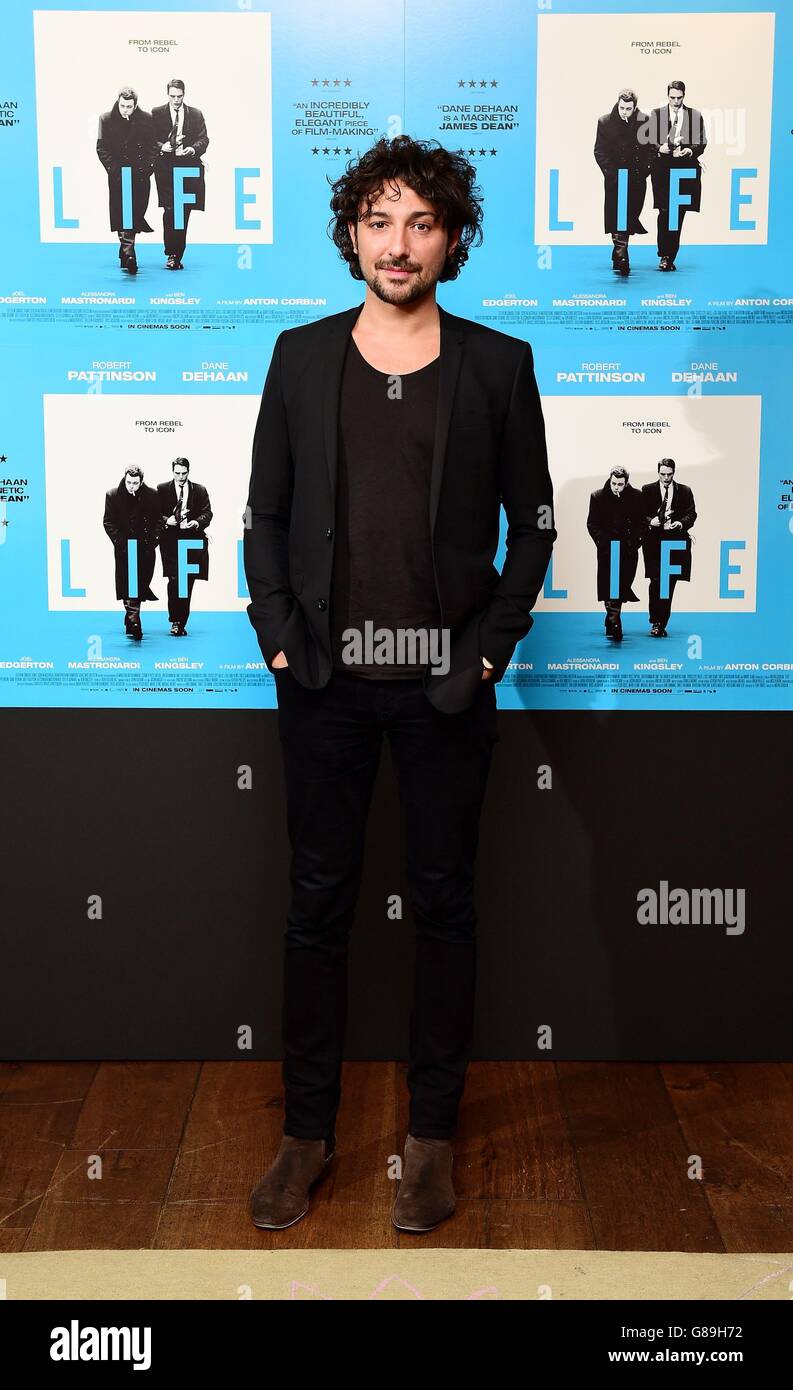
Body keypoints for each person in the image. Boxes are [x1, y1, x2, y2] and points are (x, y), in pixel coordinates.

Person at [243, 134, 557, 1234]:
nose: (399, 241)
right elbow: (265, 519)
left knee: (443, 909)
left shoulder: (499, 365)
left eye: (421, 221)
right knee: (315, 909)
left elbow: (536, 527)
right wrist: (280, 642)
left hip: (443, 695)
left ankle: (429, 1141)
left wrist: (485, 655)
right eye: (379, 219)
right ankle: (307, 1134)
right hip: (324, 686)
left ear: (452, 238)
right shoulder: (295, 356)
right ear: (349, 235)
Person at [645, 80, 707, 271]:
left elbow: (702, 143)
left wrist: (689, 151)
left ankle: (670, 256)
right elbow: (647, 141)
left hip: (685, 170)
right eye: (672, 97)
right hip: (662, 170)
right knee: (664, 212)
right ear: (668, 96)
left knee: (678, 214)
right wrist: (660, 148)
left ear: (684, 96)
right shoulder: (656, 115)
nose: (675, 101)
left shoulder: (695, 116)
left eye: (679, 98)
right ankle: (663, 255)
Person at [96, 87, 156, 274]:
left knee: (137, 212)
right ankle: (130, 255)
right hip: (120, 176)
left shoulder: (146, 119)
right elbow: (102, 148)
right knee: (124, 214)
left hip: (140, 175)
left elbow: (153, 146)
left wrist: (147, 168)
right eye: (122, 105)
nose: (125, 110)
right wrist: (115, 170)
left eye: (129, 106)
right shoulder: (106, 119)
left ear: (135, 105)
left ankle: (125, 251)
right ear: (118, 102)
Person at [593, 88, 652, 276]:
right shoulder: (605, 122)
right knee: (619, 216)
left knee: (630, 215)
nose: (624, 112)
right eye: (622, 108)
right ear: (618, 104)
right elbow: (599, 151)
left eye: (628, 108)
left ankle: (617, 255)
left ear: (634, 107)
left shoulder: (644, 121)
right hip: (616, 178)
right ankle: (622, 256)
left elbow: (651, 149)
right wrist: (611, 173)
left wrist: (644, 171)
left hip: (636, 178)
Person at [151, 79, 209, 270]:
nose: (176, 100)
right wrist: (162, 146)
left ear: (184, 94)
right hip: (166, 169)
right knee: (170, 210)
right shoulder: (156, 113)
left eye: (179, 96)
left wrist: (192, 149)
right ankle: (171, 254)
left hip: (188, 168)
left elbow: (204, 139)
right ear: (167, 94)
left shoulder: (196, 114)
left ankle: (177, 255)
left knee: (183, 212)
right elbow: (148, 139)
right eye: (172, 96)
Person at [586, 467, 647, 639]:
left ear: (626, 483)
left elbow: (642, 521)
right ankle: (614, 621)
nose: (616, 487)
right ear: (610, 480)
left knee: (624, 583)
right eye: (614, 483)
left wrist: (637, 541)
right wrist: (604, 543)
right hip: (609, 549)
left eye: (620, 484)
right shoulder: (597, 496)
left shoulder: (636, 496)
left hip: (628, 549)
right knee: (612, 584)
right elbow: (592, 524)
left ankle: (611, 619)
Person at [103, 466, 162, 638]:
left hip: (145, 548)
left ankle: (130, 618)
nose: (131, 486)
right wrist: (121, 543)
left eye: (135, 483)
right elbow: (108, 522)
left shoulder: (152, 494)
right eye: (129, 482)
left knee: (141, 583)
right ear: (125, 479)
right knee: (129, 584)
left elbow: (158, 520)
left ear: (141, 481)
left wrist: (153, 540)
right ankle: (135, 622)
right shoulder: (112, 495)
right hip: (126, 548)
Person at [640, 458, 696, 635]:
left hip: (675, 542)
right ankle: (655, 620)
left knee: (668, 584)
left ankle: (660, 623)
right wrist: (651, 521)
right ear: (658, 473)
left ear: (674, 472)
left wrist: (680, 523)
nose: (666, 477)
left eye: (669, 474)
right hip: (654, 542)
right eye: (662, 474)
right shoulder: (647, 490)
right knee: (656, 581)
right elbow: (639, 514)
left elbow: (692, 513)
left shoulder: (685, 491)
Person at [156, 458, 212, 635]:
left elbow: (207, 513)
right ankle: (175, 621)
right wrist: (168, 520)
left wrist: (196, 522)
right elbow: (154, 513)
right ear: (172, 472)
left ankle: (181, 622)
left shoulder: (200, 490)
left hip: (192, 541)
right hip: (170, 541)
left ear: (189, 471)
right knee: (174, 580)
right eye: (177, 473)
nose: (180, 477)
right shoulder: (161, 489)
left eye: (184, 473)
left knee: (186, 582)